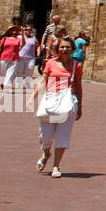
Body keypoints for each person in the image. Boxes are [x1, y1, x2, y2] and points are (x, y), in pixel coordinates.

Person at [35, 36, 83, 178]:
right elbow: (42, 80)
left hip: (68, 102)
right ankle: (46, 154)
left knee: (63, 134)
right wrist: (34, 96)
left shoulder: (76, 65)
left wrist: (80, 105)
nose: (65, 49)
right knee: (46, 135)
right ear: (58, 48)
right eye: (62, 47)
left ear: (72, 49)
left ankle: (56, 165)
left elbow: (78, 86)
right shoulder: (50, 63)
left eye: (68, 47)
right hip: (51, 100)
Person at [0, 25, 22, 90]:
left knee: (11, 73)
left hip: (14, 58)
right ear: (9, 31)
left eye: (15, 30)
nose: (14, 32)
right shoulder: (4, 39)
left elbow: (23, 44)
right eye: (12, 30)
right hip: (4, 57)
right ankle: (2, 85)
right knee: (3, 73)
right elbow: (0, 48)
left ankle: (8, 87)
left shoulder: (18, 39)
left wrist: (22, 34)